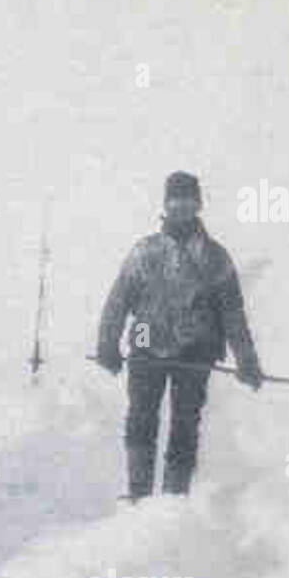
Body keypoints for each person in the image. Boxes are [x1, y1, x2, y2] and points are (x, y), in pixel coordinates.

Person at [96, 171, 262, 500]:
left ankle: (174, 501)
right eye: (175, 200)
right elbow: (119, 300)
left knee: (185, 424)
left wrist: (247, 361)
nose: (181, 207)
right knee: (141, 416)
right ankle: (138, 494)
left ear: (198, 205)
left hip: (195, 348)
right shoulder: (145, 251)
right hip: (144, 340)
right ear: (165, 205)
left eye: (188, 200)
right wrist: (107, 345)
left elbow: (232, 314)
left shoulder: (216, 257)